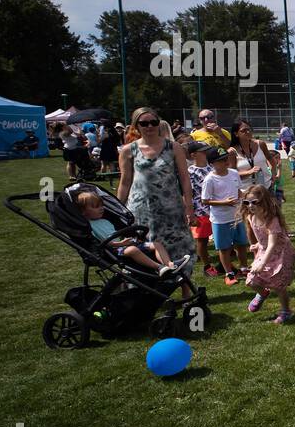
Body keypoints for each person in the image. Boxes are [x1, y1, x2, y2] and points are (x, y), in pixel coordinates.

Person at [116, 107, 196, 290]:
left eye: (153, 122)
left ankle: (186, 289)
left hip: (171, 211)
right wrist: (117, 210)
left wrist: (189, 208)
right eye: (144, 123)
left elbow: (184, 178)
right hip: (141, 212)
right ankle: (149, 291)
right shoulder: (128, 150)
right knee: (146, 249)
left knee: (180, 250)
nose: (150, 126)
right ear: (136, 126)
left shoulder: (173, 147)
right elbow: (125, 182)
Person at [78, 191, 189, 276]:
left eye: (101, 205)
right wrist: (120, 244)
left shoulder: (105, 221)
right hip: (115, 250)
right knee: (133, 250)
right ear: (83, 211)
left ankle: (170, 265)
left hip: (123, 244)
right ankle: (159, 267)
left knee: (156, 244)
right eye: (95, 207)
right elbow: (104, 242)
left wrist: (130, 240)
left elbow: (116, 234)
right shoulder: (90, 226)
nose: (101, 208)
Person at [241, 184, 295, 324]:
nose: (250, 206)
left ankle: (286, 311)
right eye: (247, 202)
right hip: (265, 251)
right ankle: (263, 293)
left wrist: (262, 263)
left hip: (280, 253)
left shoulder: (272, 220)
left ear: (263, 201)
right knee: (251, 280)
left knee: (279, 285)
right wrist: (258, 244)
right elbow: (263, 238)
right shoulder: (251, 217)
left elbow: (272, 244)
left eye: (255, 202)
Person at [200, 146, 251, 284]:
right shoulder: (210, 179)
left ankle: (244, 268)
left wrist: (243, 202)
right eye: (221, 160)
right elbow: (205, 200)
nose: (225, 161)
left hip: (237, 216)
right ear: (212, 164)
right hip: (220, 219)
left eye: (225, 158)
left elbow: (238, 190)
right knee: (224, 248)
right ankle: (229, 273)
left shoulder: (234, 173)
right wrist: (223, 202)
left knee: (241, 244)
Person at [185, 141, 219, 278]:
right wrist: (190, 213)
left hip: (217, 209)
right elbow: (187, 193)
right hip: (200, 211)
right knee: (202, 240)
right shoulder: (190, 172)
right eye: (203, 151)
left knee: (221, 238)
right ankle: (207, 265)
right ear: (193, 155)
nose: (206, 153)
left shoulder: (212, 168)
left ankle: (223, 263)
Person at [230, 119, 277, 193]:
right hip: (246, 193)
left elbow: (270, 158)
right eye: (244, 130)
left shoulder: (260, 144)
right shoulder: (232, 151)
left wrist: (273, 174)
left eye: (249, 129)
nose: (248, 132)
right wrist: (249, 172)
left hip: (266, 188)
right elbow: (231, 174)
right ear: (236, 134)